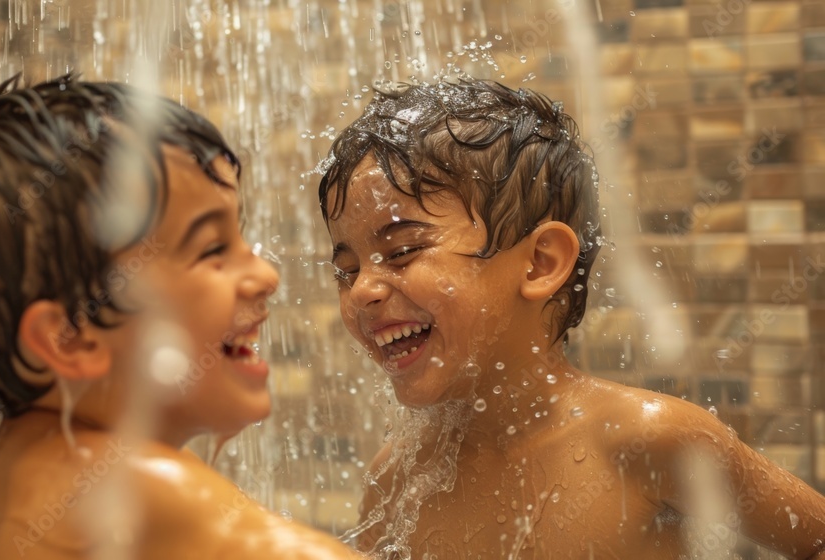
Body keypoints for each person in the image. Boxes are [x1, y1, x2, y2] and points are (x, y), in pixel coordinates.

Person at [317, 78, 825, 559]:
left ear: (541, 263)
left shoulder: (649, 439)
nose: (362, 290)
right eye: (347, 270)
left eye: (402, 252)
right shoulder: (399, 479)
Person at [0, 74, 361, 560]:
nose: (266, 275)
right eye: (212, 248)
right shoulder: (146, 495)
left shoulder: (3, 477)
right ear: (70, 339)